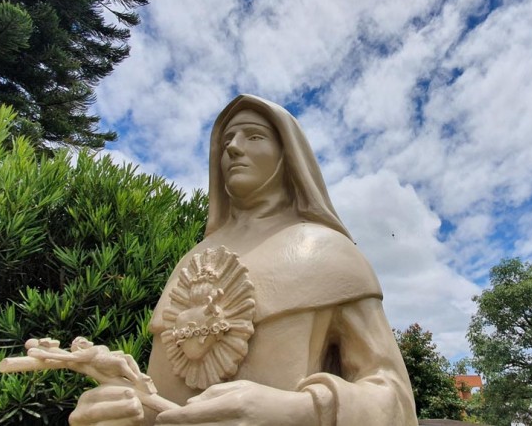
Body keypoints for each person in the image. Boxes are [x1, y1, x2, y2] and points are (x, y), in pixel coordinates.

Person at [70, 94, 417, 426]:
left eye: (254, 136)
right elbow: (166, 407)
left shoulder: (331, 254)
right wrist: (122, 411)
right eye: (226, 142)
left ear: (288, 155)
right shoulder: (189, 264)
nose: (233, 147)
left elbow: (395, 397)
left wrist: (304, 412)